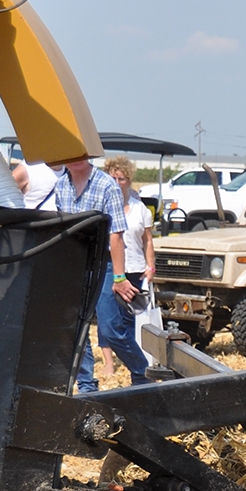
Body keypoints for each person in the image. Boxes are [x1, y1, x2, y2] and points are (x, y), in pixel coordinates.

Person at [58, 157, 138, 393]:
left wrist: (120, 277)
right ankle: (86, 384)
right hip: (76, 263)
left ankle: (140, 371)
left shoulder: (107, 185)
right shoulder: (61, 185)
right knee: (76, 325)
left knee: (111, 327)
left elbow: (116, 235)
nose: (76, 158)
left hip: (104, 263)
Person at [95, 156, 155, 378]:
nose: (117, 181)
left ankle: (136, 373)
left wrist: (151, 266)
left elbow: (147, 240)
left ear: (128, 180)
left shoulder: (140, 208)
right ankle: (114, 363)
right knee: (108, 320)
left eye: (121, 178)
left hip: (134, 267)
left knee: (127, 319)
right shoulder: (102, 203)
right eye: (113, 177)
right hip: (110, 266)